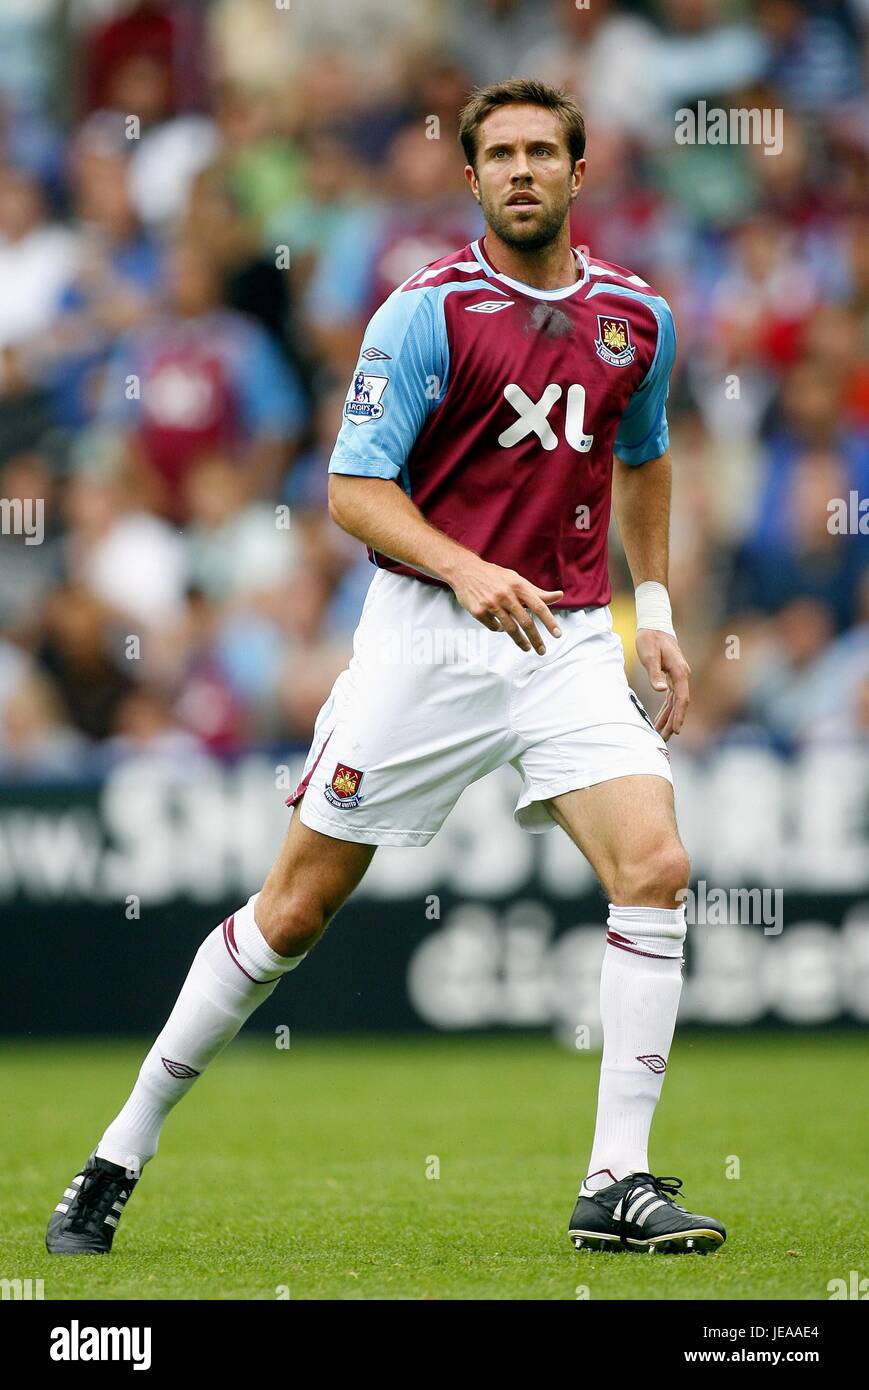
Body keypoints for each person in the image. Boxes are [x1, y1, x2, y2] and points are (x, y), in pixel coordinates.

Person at [47, 78, 726, 1258]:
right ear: (469, 179)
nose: (521, 170)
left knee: (655, 862)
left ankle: (613, 1179)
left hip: (563, 637)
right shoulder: (424, 313)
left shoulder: (635, 319)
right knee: (294, 911)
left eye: (540, 151)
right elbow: (352, 490)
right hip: (426, 639)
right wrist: (464, 569)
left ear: (577, 171)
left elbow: (645, 453)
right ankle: (118, 1149)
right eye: (498, 154)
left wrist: (652, 604)